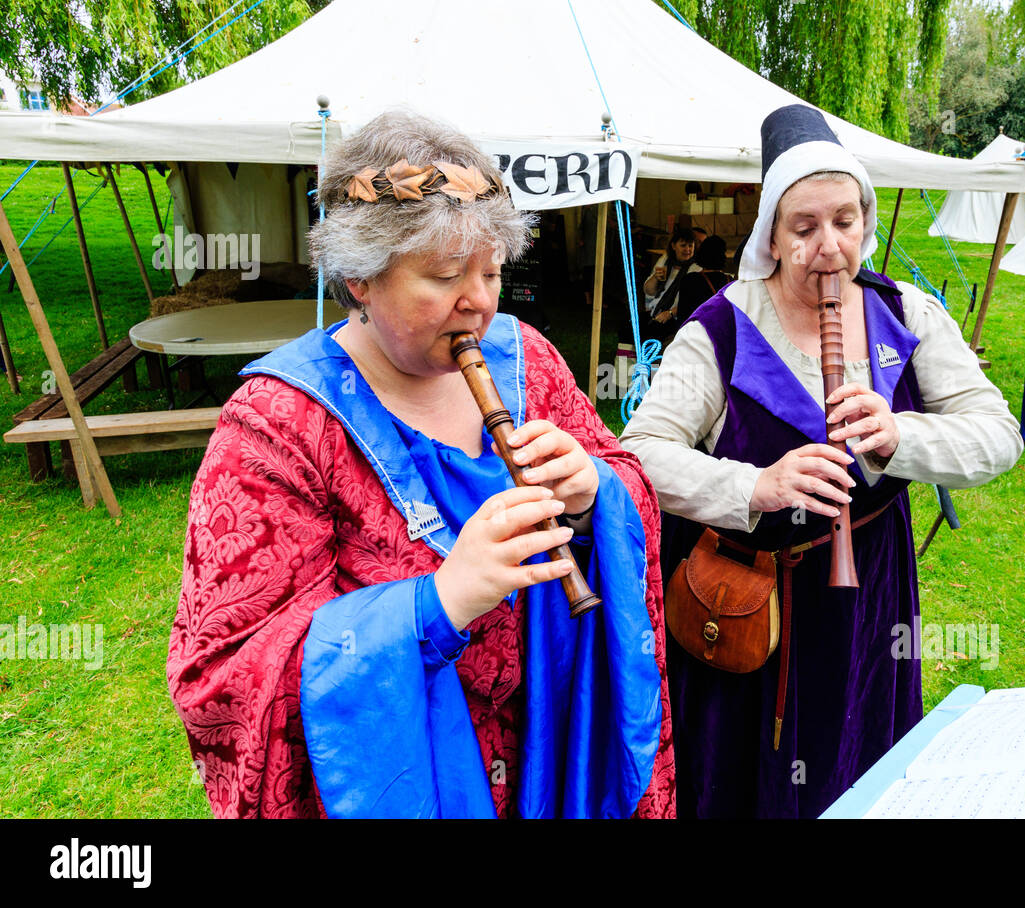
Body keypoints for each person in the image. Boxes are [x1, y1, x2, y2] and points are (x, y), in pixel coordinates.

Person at [167, 110, 675, 819]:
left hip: (549, 758)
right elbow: (223, 682)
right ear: (359, 281)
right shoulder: (278, 424)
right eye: (443, 275)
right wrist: (438, 604)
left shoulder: (527, 358)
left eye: (492, 271)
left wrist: (595, 493)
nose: (479, 301)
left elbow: (626, 478)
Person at [619, 104, 1021, 818]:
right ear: (772, 237)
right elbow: (640, 455)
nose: (829, 246)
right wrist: (756, 484)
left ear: (865, 220)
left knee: (855, 746)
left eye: (845, 221)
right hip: (745, 593)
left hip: (867, 588)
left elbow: (997, 437)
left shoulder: (908, 314)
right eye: (804, 228)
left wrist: (903, 437)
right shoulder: (721, 326)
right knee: (743, 773)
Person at [642, 224, 695, 343]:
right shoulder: (666, 260)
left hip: (676, 316)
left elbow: (690, 302)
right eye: (683, 245)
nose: (687, 250)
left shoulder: (695, 268)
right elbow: (648, 291)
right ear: (673, 246)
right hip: (656, 310)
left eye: (690, 246)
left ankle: (649, 360)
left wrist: (670, 313)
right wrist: (655, 277)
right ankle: (627, 360)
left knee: (652, 332)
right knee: (629, 327)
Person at [675, 234, 731, 323]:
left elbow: (682, 315)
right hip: (724, 333)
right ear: (723, 256)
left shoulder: (689, 280)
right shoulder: (730, 281)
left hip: (697, 331)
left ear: (701, 254)